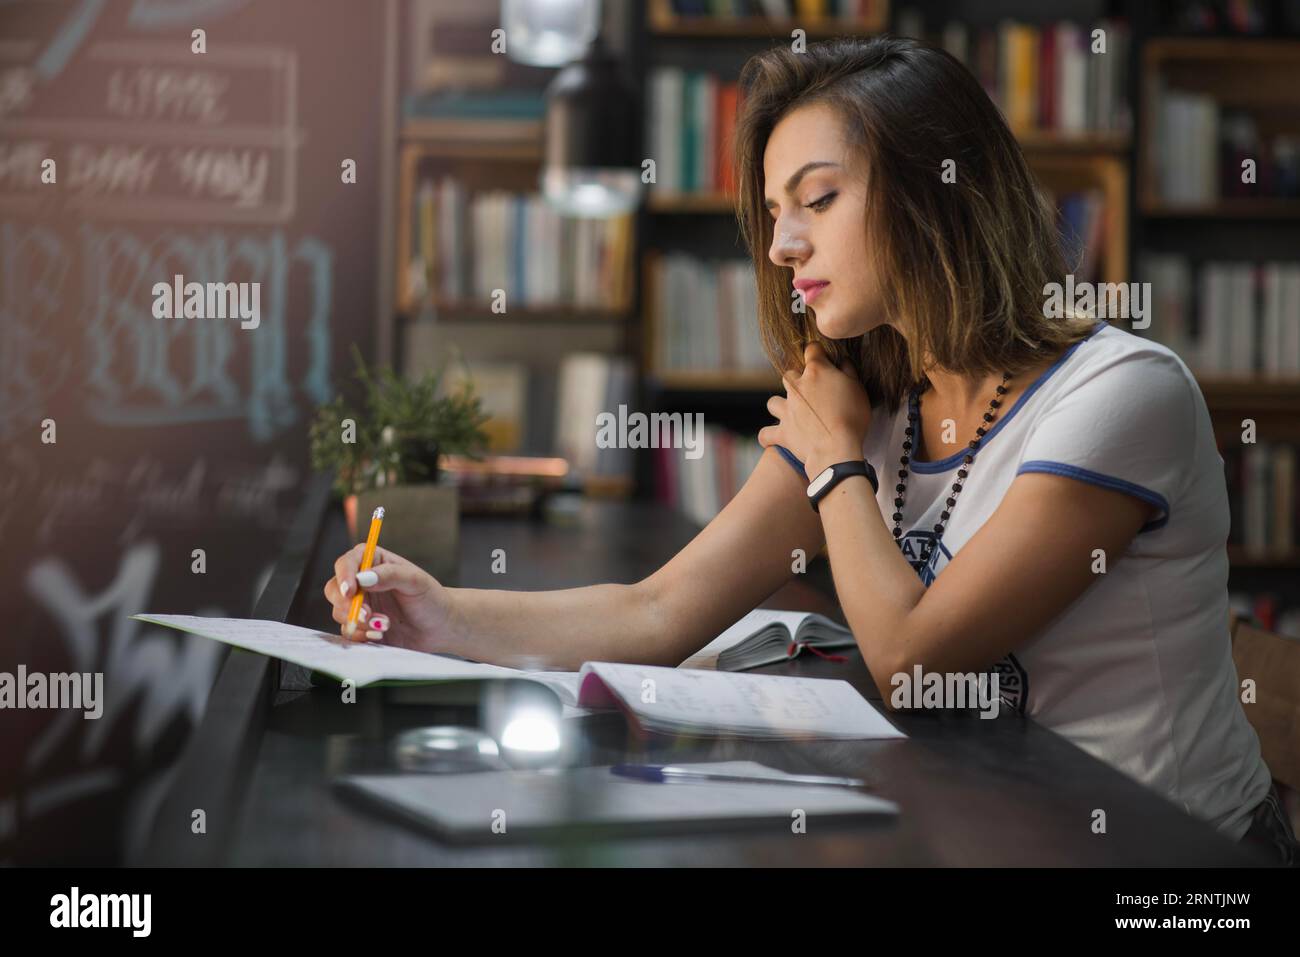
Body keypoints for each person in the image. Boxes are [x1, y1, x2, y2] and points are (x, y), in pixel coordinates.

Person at [324, 36, 1295, 863]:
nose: (782, 244)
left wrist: (835, 464)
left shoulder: (1121, 392)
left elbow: (913, 662)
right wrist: (441, 618)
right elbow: (658, 608)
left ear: (936, 192)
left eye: (817, 199)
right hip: (983, 826)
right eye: (774, 213)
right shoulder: (867, 402)